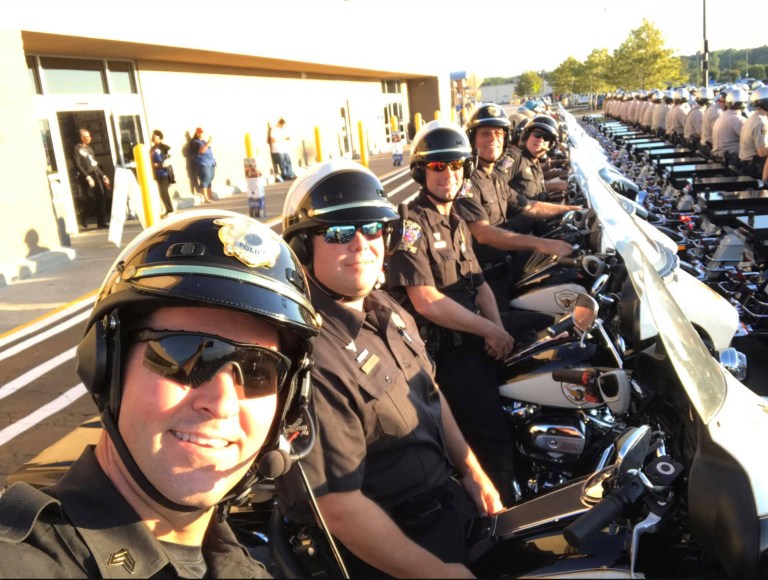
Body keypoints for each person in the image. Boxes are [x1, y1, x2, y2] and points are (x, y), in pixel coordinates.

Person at [0, 210, 321, 578]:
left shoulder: (239, 563)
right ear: (107, 366)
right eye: (184, 354)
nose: (222, 404)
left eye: (258, 370)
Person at [275, 159, 503, 577]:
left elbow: (431, 394)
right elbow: (339, 506)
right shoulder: (312, 355)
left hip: (445, 503)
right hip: (390, 548)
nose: (361, 244)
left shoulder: (389, 311)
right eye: (340, 232)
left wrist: (473, 471)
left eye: (373, 228)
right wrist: (440, 574)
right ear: (304, 247)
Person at [387, 120, 555, 507]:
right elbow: (426, 299)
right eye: (437, 167)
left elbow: (478, 283)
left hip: (474, 333)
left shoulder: (457, 219)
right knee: (492, 438)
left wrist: (497, 327)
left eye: (456, 166)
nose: (448, 175)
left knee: (548, 332)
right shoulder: (410, 225)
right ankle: (502, 516)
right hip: (447, 352)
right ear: (421, 172)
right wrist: (489, 332)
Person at [456, 104, 579, 308]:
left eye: (498, 133)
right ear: (472, 139)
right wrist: (540, 243)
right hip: (486, 277)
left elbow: (529, 205)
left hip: (506, 264)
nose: (493, 139)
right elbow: (483, 233)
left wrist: (573, 210)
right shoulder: (468, 182)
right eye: (485, 134)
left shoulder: (494, 178)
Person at [73, 128, 110, 229]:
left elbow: (94, 164)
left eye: (89, 136)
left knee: (101, 197)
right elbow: (78, 164)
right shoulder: (77, 149)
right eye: (87, 136)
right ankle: (83, 217)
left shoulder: (89, 149)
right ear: (82, 138)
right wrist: (87, 176)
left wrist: (103, 175)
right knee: (92, 199)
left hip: (94, 174)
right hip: (86, 176)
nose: (90, 138)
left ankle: (101, 222)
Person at [712, 88, 749, 165]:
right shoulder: (737, 119)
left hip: (721, 156)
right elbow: (751, 140)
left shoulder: (723, 115)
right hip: (731, 159)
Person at [738, 86, 768, 179]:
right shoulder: (761, 122)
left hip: (748, 165)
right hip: (755, 167)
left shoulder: (753, 118)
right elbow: (762, 152)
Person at [150, 129, 175, 217]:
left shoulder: (165, 148)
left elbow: (170, 160)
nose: (153, 138)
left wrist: (159, 165)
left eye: (155, 136)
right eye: (152, 136)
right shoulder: (152, 149)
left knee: (164, 192)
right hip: (156, 174)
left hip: (165, 173)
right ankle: (167, 209)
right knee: (161, 192)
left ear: (159, 137)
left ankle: (170, 209)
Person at [190, 127, 216, 203]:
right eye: (199, 132)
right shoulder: (195, 142)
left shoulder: (204, 141)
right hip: (202, 163)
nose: (201, 134)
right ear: (196, 133)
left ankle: (210, 195)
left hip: (210, 163)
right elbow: (201, 151)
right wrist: (208, 143)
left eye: (202, 132)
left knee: (210, 178)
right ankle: (205, 197)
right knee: (205, 179)